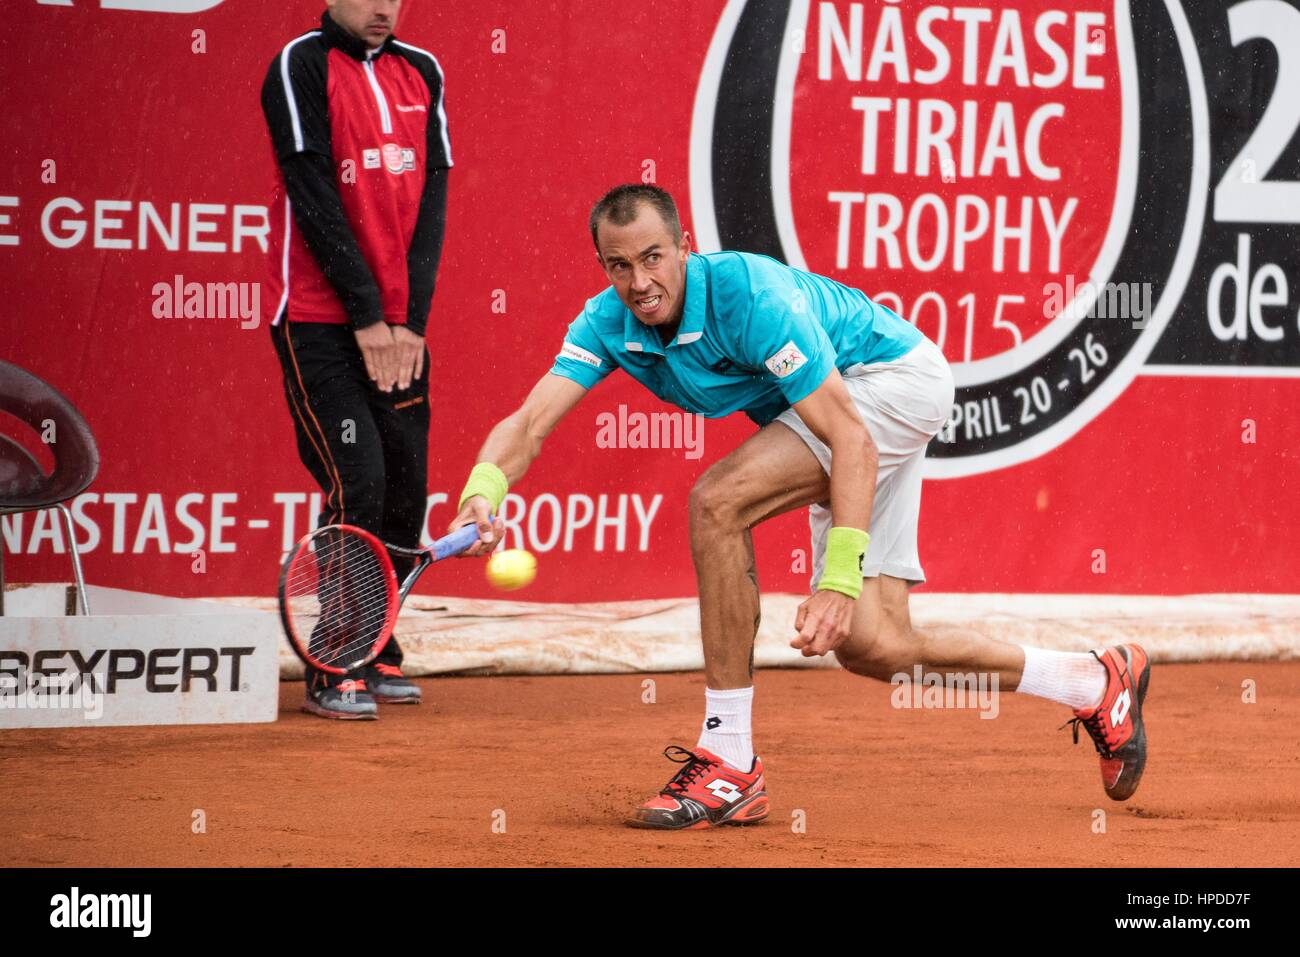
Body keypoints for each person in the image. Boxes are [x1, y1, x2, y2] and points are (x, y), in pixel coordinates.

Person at [450, 184, 1151, 827]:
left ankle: (728, 759)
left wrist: (836, 580)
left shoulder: (752, 298)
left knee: (715, 502)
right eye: (619, 265)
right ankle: (1092, 679)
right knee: (875, 645)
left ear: (685, 246)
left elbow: (849, 435)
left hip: (891, 383)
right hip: (843, 416)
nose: (639, 282)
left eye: (654, 257)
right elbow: (530, 420)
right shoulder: (606, 322)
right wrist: (483, 491)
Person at [260, 0, 452, 718]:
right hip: (317, 320)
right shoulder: (298, 65)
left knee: (406, 485)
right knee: (359, 479)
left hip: (400, 329)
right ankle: (335, 658)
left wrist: (410, 322)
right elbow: (313, 198)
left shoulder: (422, 71)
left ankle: (378, 648)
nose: (385, 8)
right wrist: (369, 316)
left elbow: (432, 200)